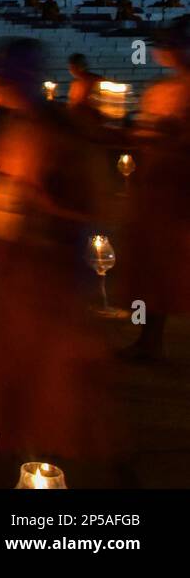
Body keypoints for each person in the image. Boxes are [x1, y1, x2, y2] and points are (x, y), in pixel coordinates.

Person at [0, 38, 110, 465]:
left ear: (29, 76)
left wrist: (41, 206)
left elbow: (94, 206)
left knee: (53, 369)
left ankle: (57, 453)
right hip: (14, 267)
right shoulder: (13, 126)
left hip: (50, 270)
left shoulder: (64, 132)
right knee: (13, 363)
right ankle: (20, 444)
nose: (2, 81)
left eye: (10, 72)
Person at [118, 20, 190, 360]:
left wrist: (171, 135)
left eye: (173, 44)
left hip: (179, 189)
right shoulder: (160, 90)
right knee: (150, 267)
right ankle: (147, 339)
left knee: (173, 266)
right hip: (156, 188)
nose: (168, 51)